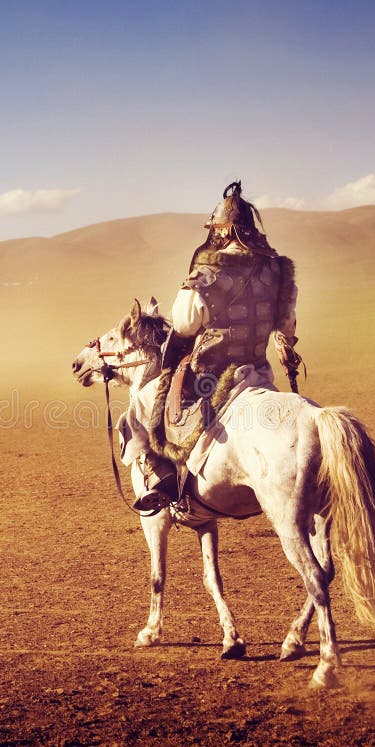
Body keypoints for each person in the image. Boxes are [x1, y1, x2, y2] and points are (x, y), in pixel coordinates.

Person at [125, 180, 301, 512]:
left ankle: (162, 477)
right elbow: (287, 325)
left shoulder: (208, 269)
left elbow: (184, 323)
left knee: (143, 401)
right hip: (257, 373)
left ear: (222, 231)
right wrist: (286, 344)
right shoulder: (277, 271)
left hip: (210, 375)